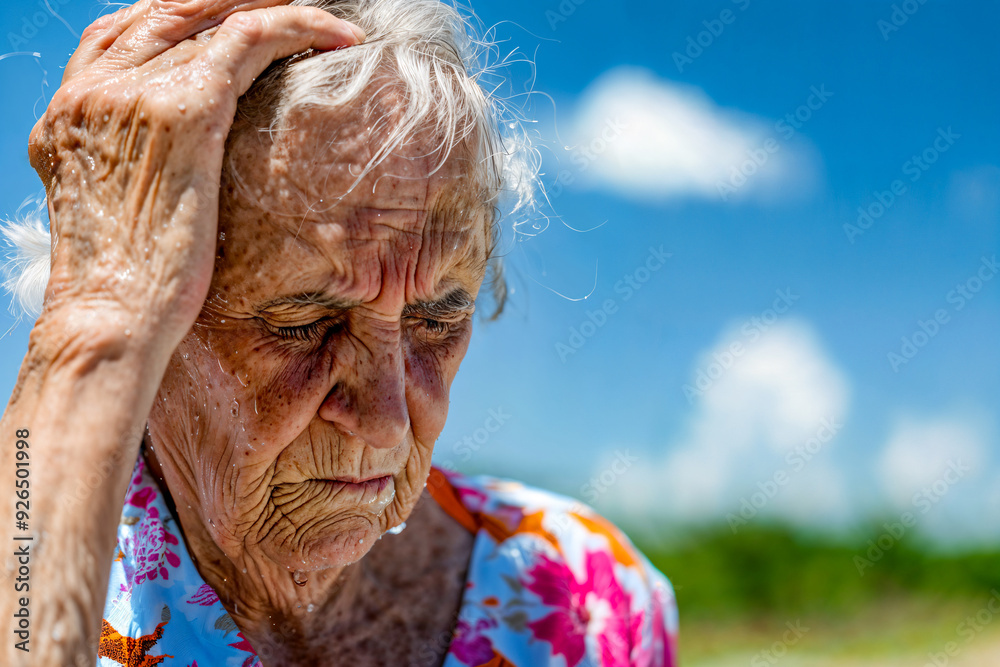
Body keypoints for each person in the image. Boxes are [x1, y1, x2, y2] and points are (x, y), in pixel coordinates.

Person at [0, 0, 678, 664]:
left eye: (437, 321)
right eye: (305, 324)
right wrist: (86, 327)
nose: (387, 421)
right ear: (143, 310)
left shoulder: (582, 597)